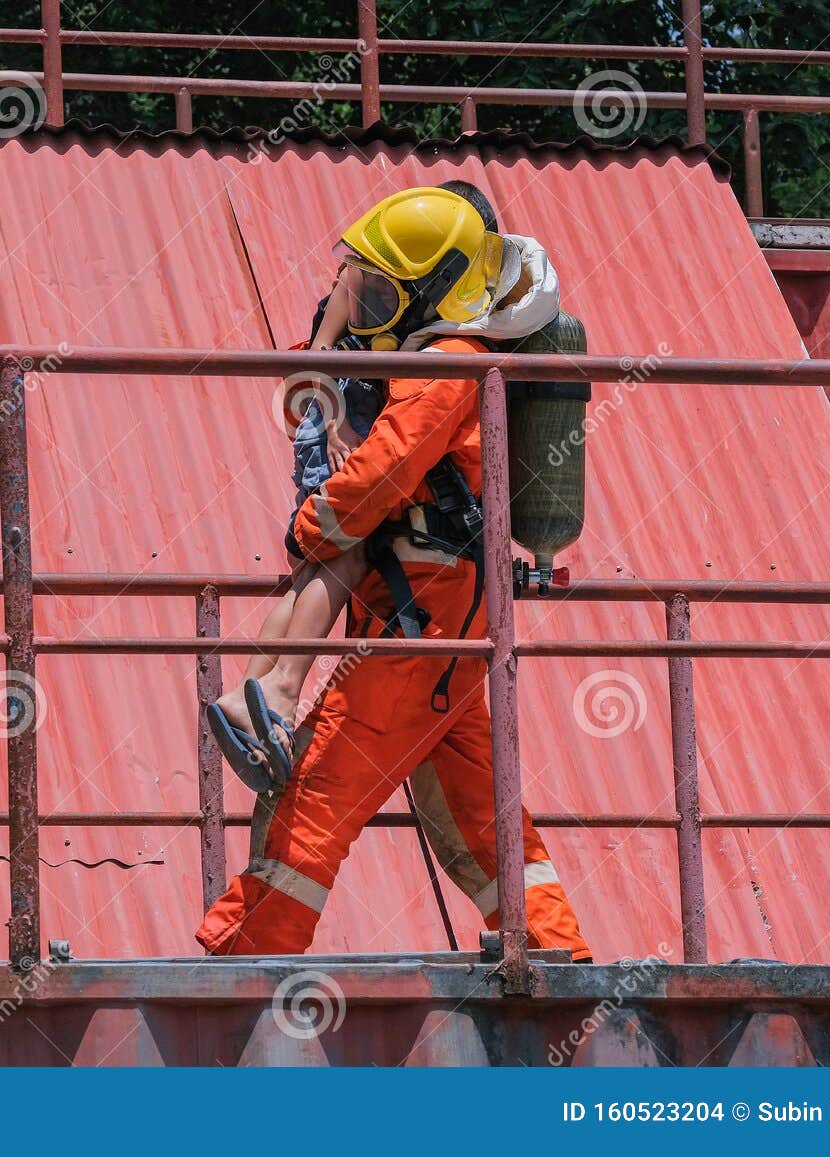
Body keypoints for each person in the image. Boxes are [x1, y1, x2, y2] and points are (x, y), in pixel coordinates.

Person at [196, 185, 591, 960]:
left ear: (433, 293)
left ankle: (246, 970)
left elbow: (384, 470)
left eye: (384, 293)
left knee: (313, 787)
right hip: (435, 619)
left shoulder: (448, 365)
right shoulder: (439, 361)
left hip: (423, 620)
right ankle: (553, 954)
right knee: (476, 806)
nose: (369, 308)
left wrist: (312, 527)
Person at [207, 182, 561, 788]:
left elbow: (320, 359)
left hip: (414, 565)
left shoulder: (370, 290)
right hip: (420, 584)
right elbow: (389, 463)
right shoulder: (448, 358)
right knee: (337, 562)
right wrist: (318, 522)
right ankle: (280, 692)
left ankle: (247, 695)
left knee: (305, 581)